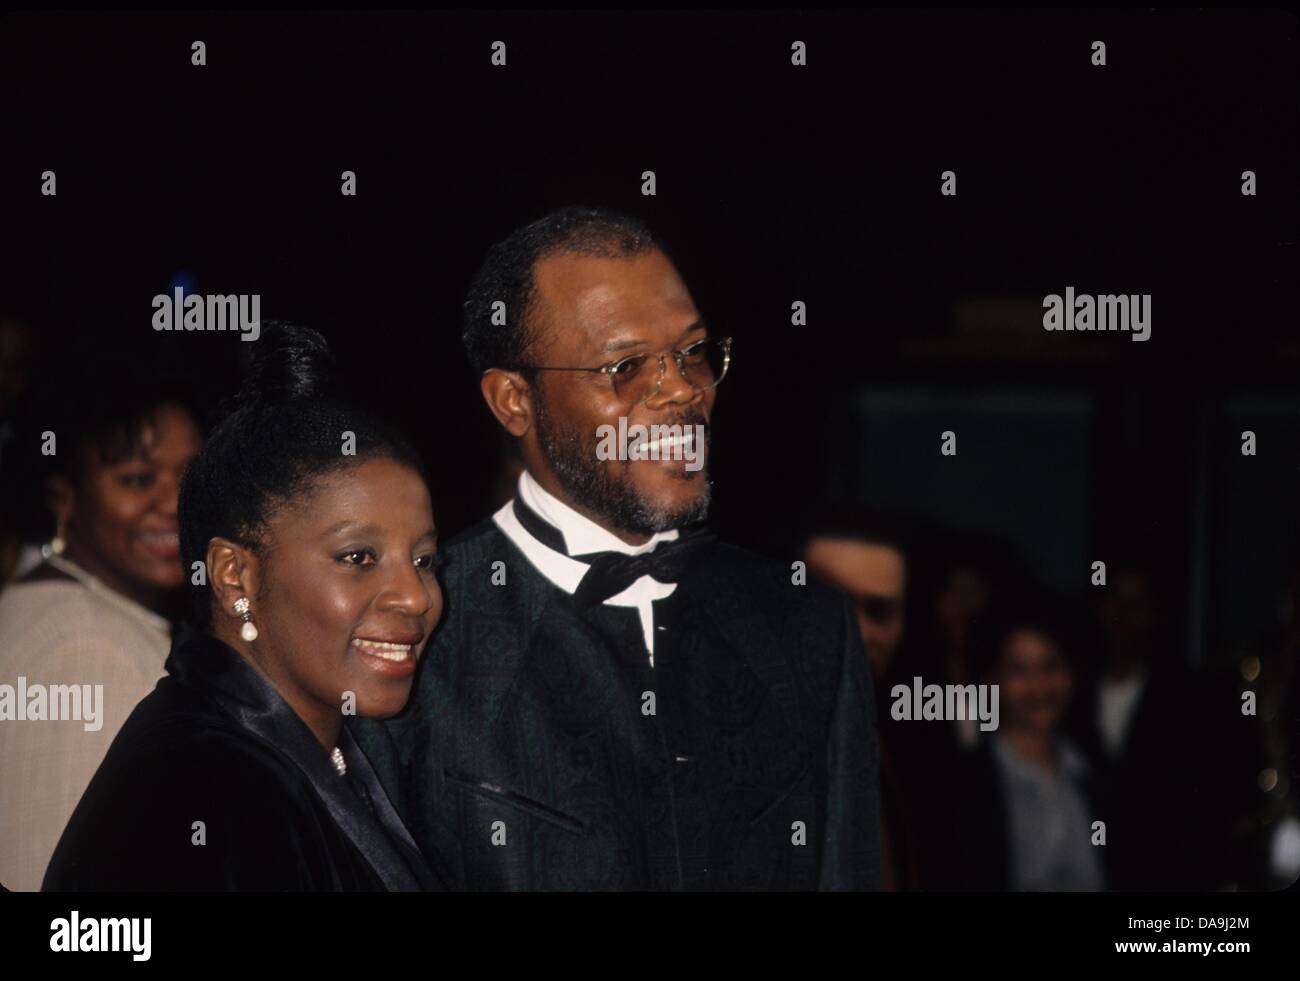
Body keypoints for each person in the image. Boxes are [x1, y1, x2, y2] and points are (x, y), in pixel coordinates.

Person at [354, 206, 880, 890]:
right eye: (626, 366)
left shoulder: (804, 622)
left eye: (692, 352)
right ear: (514, 400)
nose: (684, 390)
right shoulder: (417, 630)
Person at [42, 323, 443, 891]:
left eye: (426, 561)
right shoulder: (209, 787)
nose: (416, 596)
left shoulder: (280, 748)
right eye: (359, 557)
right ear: (236, 577)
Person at [0, 363, 203, 891]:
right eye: (138, 480)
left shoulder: (51, 609)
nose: (175, 503)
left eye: (192, 474)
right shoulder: (87, 649)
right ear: (63, 496)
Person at [954, 603, 1105, 891]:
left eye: (1051, 666)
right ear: (991, 679)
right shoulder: (967, 784)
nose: (1039, 687)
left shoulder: (1094, 777)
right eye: (1019, 670)